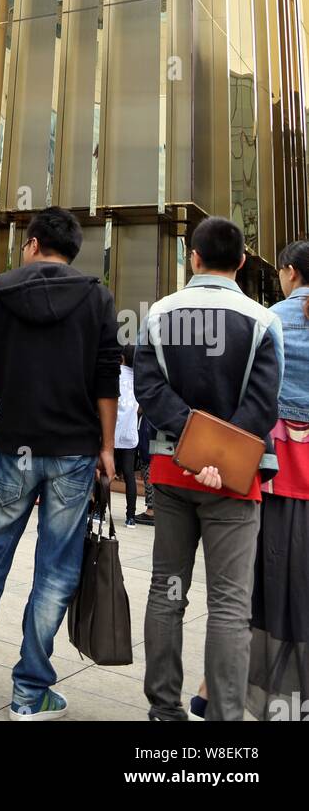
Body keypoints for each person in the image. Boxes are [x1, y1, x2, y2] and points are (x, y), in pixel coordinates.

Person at [0, 207, 119, 719]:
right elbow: (108, 376)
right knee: (56, 571)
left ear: (36, 243)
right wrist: (106, 447)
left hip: (15, 444)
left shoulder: (0, 290)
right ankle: (29, 691)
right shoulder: (97, 296)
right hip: (74, 450)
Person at [134, 216, 281, 722]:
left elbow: (149, 391)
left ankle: (164, 708)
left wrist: (194, 448)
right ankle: (223, 719)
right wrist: (218, 456)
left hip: (173, 473)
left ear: (192, 258)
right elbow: (264, 405)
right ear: (241, 262)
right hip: (236, 483)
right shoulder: (264, 321)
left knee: (167, 591)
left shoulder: (157, 315)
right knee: (229, 606)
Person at [247, 239, 309, 721]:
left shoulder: (267, 321)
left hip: (275, 467)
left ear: (288, 272)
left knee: (265, 580)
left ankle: (259, 690)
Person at [115, 345, 139, 527]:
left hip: (112, 433)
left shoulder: (116, 375)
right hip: (130, 435)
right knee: (129, 475)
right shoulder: (139, 381)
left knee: (106, 473)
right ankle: (130, 516)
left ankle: (99, 511)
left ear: (121, 357)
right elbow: (141, 409)